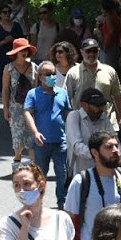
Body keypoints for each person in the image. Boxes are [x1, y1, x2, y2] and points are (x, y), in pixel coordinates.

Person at [64, 132, 121, 240]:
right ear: (95, 153)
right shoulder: (82, 181)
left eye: (116, 146)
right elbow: (68, 220)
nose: (115, 151)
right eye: (109, 147)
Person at [23, 61, 72, 208]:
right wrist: (35, 132)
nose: (51, 77)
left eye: (53, 74)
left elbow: (68, 114)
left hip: (60, 141)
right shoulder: (33, 94)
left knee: (62, 173)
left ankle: (62, 201)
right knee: (40, 174)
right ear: (40, 77)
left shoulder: (62, 93)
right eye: (48, 74)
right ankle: (37, 201)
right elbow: (27, 113)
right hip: (41, 142)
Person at [64, 38, 121, 126]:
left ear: (99, 51)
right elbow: (66, 99)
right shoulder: (73, 73)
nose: (92, 54)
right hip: (82, 123)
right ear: (81, 52)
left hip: (108, 122)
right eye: (88, 51)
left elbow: (118, 96)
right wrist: (70, 122)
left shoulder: (110, 71)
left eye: (95, 51)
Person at [65, 87, 119, 179]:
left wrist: (120, 155)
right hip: (82, 174)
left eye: (102, 105)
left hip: (105, 171)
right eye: (97, 105)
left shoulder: (103, 117)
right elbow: (77, 147)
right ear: (84, 105)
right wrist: (101, 154)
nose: (101, 108)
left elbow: (113, 138)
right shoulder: (74, 116)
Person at [1, 38, 37, 166]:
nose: (24, 52)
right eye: (21, 50)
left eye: (26, 50)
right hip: (15, 107)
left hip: (31, 107)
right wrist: (5, 108)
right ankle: (17, 160)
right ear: (16, 52)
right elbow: (5, 89)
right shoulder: (8, 68)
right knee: (18, 136)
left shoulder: (34, 67)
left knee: (32, 135)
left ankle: (33, 165)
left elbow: (37, 88)